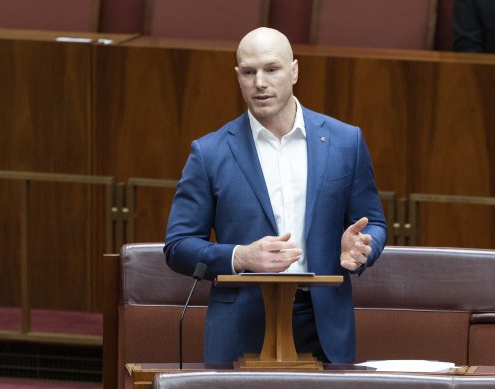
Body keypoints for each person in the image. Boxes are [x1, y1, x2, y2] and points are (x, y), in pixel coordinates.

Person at [164, 27, 387, 365]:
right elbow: (178, 246)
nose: (260, 82)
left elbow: (376, 224)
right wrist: (240, 257)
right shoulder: (210, 152)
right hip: (242, 323)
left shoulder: (346, 142)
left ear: (294, 70)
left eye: (271, 69)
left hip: (323, 321)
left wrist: (361, 248)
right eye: (249, 72)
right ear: (238, 77)